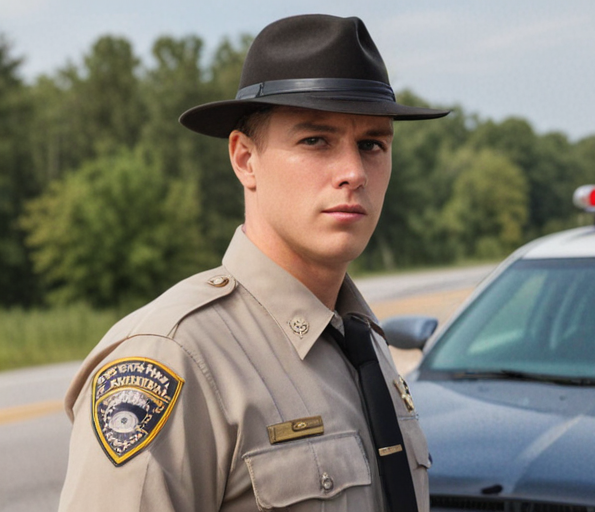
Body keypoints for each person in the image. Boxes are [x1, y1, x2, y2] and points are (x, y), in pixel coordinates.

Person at [57, 13, 449, 512]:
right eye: (316, 140)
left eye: (372, 144)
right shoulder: (175, 358)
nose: (353, 171)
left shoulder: (362, 343)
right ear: (245, 159)